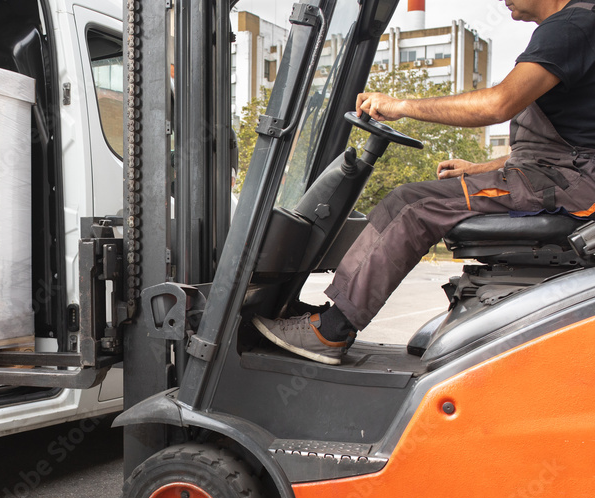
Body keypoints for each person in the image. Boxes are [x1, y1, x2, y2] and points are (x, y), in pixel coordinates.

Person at [254, 0, 595, 365]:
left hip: (565, 188)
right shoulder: (576, 26)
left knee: (412, 204)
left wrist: (400, 105)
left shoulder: (571, 25)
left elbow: (497, 104)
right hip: (554, 179)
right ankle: (327, 314)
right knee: (412, 200)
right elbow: (559, 147)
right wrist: (477, 167)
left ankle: (331, 329)